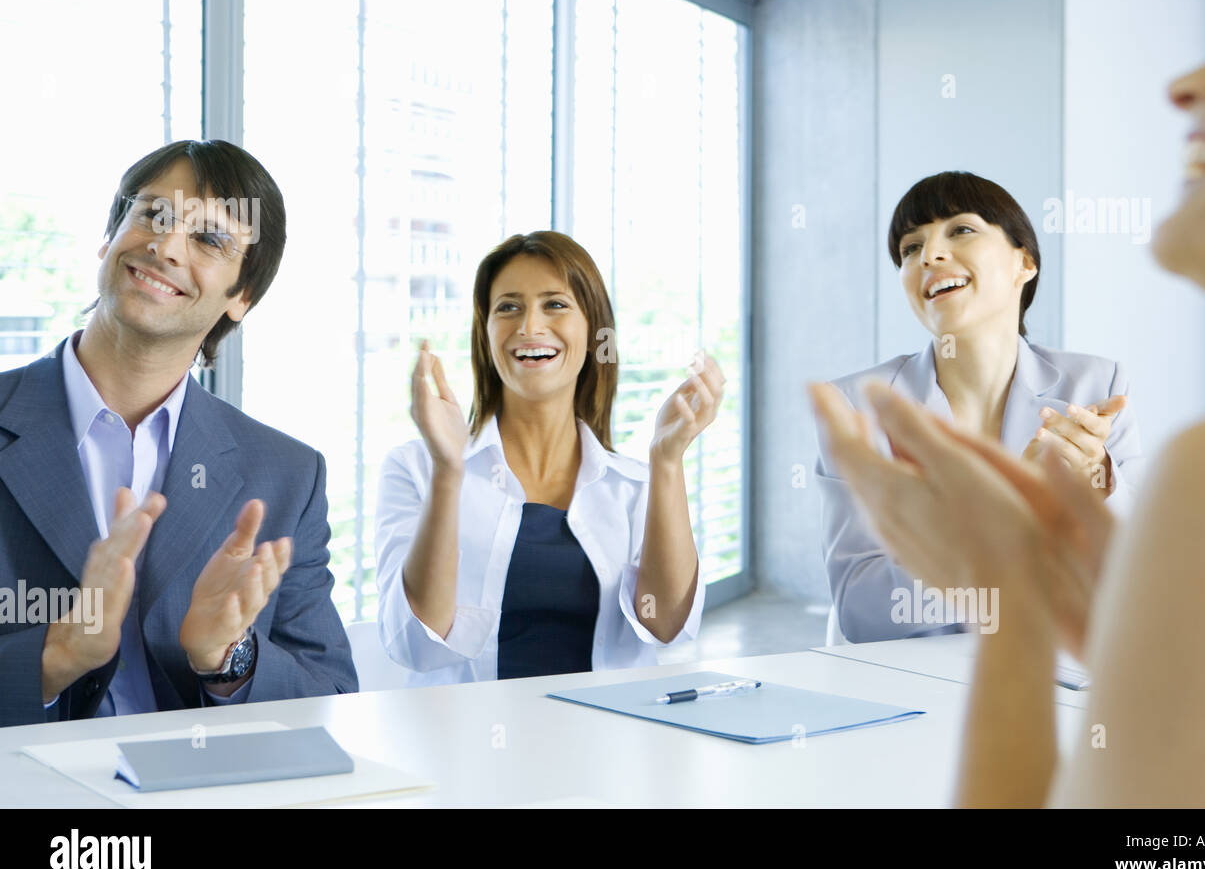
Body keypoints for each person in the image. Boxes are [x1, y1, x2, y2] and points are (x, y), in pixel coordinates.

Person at [810, 0, 1205, 805]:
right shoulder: (867, 403)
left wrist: (1007, 563)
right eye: (911, 247)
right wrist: (1014, 567)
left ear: (1025, 261)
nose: (1187, 83)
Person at [0, 140, 357, 728]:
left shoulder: (286, 473)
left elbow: (333, 698)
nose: (165, 247)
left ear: (241, 296)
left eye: (209, 239)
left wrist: (227, 658)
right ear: (109, 237)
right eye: (151, 216)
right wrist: (56, 655)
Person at [375, 231, 721, 684]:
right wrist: (448, 471)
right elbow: (416, 644)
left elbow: (665, 627)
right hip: (464, 744)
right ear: (486, 334)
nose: (529, 327)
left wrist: (668, 461)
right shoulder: (416, 469)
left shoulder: (636, 485)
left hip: (609, 738)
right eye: (508, 307)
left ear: (594, 331)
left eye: (555, 304)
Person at [816, 171, 1140, 643]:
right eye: (910, 248)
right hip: (910, 684)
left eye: (961, 229)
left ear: (1024, 262)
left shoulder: (1094, 384)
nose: (930, 255)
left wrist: (1101, 482)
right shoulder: (856, 404)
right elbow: (862, 611)